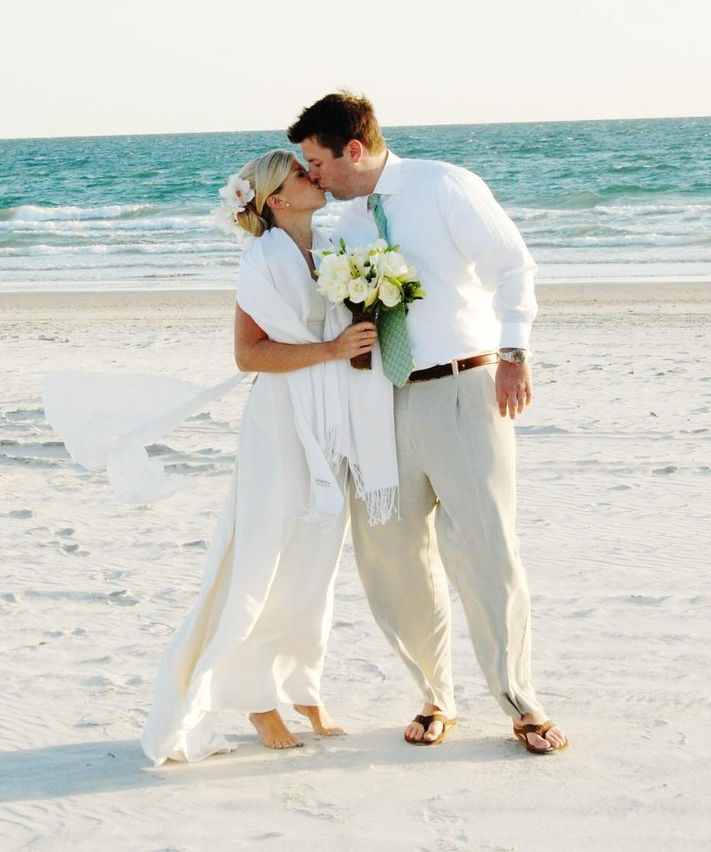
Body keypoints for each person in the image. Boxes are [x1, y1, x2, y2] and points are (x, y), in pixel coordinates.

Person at [287, 91, 569, 754]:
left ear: (353, 150)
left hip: (463, 389)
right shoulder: (339, 223)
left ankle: (520, 700)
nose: (313, 174)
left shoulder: (445, 186)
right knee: (389, 555)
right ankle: (435, 695)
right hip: (379, 401)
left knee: (486, 548)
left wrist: (514, 354)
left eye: (317, 160)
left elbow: (514, 265)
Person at [134, 149, 398, 764]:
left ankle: (302, 685)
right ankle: (257, 697)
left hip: (332, 422)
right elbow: (249, 356)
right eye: (303, 175)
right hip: (281, 424)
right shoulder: (262, 261)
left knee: (316, 561)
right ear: (276, 199)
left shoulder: (332, 248)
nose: (316, 177)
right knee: (265, 556)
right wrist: (333, 350)